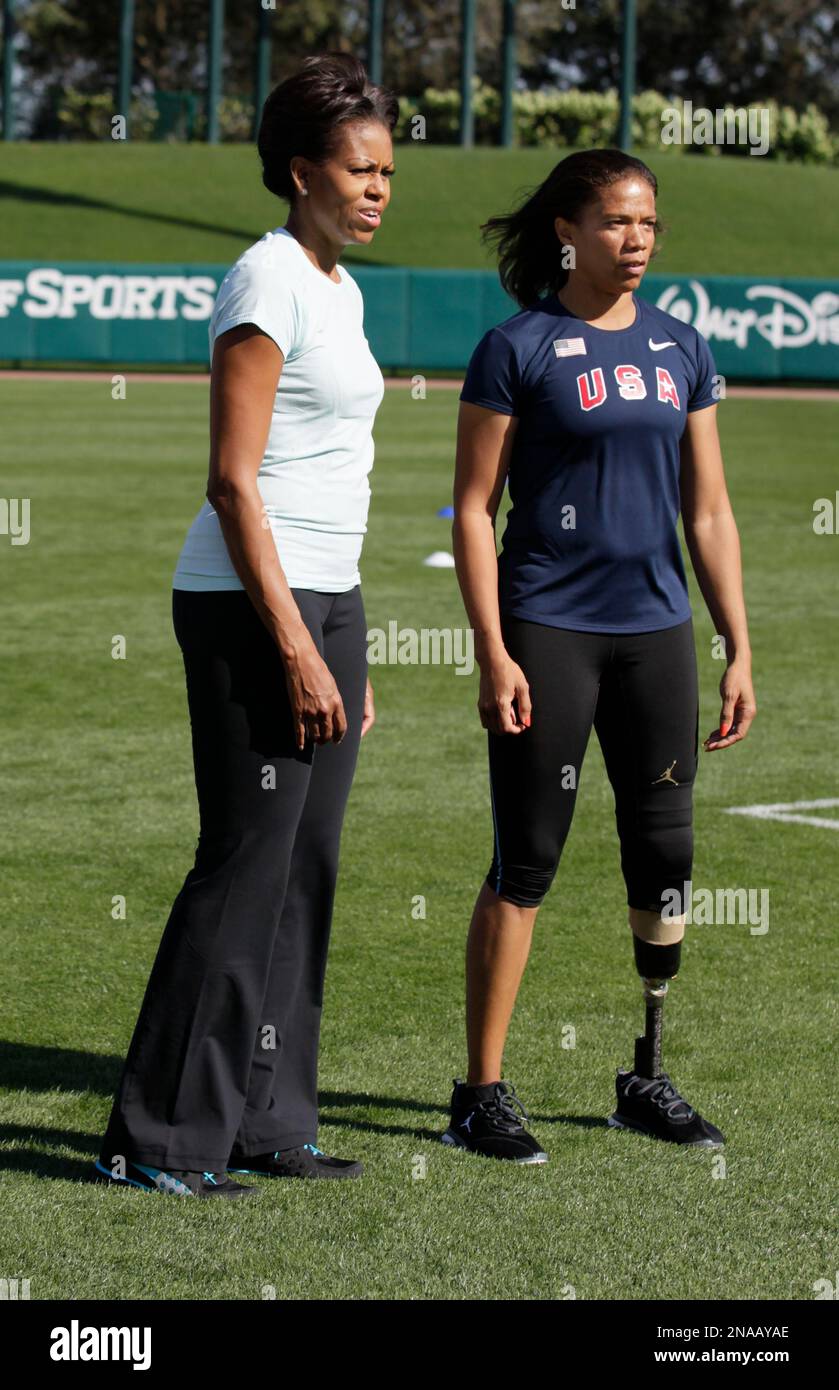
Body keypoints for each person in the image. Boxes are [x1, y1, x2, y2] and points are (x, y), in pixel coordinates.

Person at [93, 53, 397, 1198]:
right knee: (243, 863)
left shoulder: (339, 286)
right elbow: (234, 479)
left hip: (328, 598)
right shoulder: (263, 281)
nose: (377, 189)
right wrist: (296, 641)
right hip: (245, 602)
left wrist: (343, 639)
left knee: (303, 868)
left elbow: (332, 473)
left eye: (385, 170)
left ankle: (269, 1117)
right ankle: (155, 1137)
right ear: (297, 170)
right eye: (357, 170)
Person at [444, 148, 756, 1163]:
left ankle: (644, 1075)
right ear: (565, 232)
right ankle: (479, 1091)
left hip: (655, 632)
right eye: (615, 223)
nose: (634, 242)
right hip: (549, 628)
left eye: (647, 226)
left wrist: (734, 640)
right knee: (526, 859)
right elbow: (470, 510)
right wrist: (491, 649)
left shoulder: (681, 349)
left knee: (663, 855)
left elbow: (705, 509)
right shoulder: (515, 347)